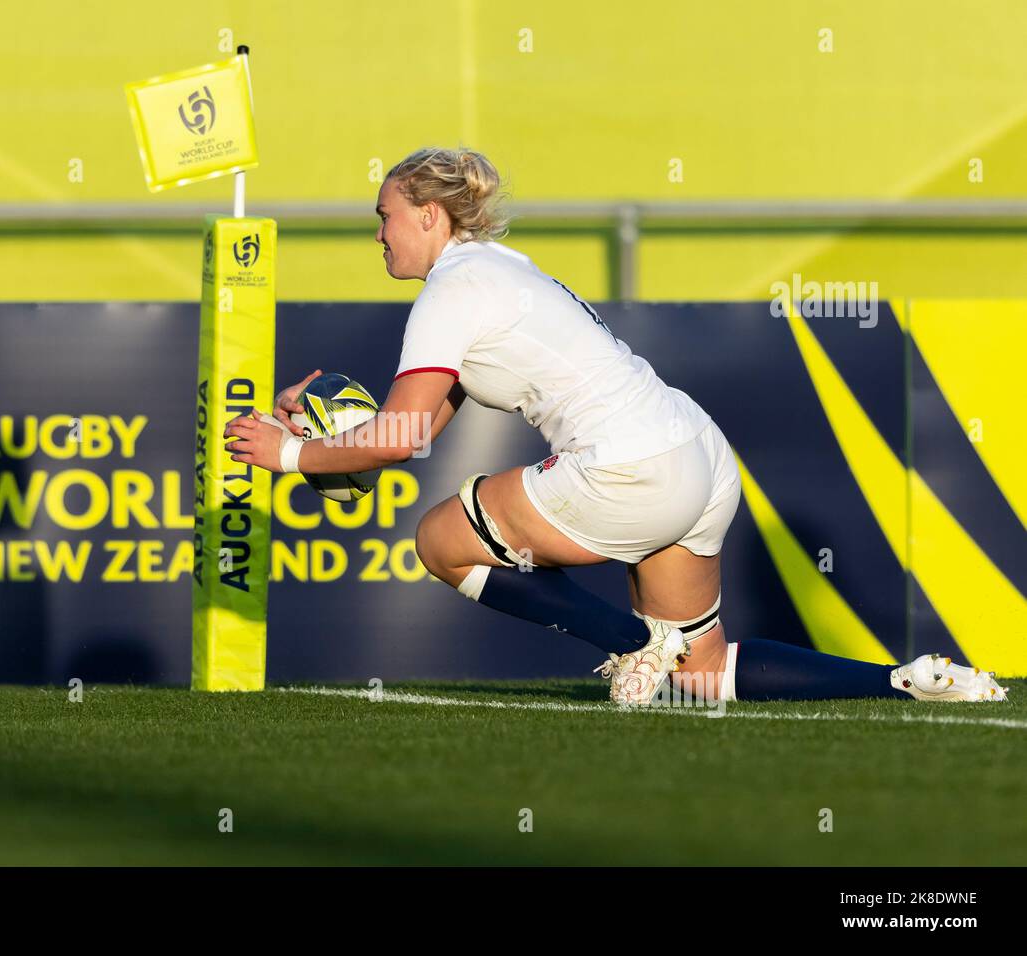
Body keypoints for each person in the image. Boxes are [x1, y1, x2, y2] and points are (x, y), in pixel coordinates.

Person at [223, 146, 1006, 706]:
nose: (378, 234)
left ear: (428, 216)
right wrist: (323, 421)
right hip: (694, 454)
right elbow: (410, 436)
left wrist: (288, 452)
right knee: (700, 675)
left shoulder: (451, 292)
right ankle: (906, 680)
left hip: (628, 467)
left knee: (439, 540)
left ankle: (631, 646)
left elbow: (395, 438)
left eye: (385, 216)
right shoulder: (505, 269)